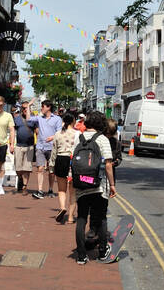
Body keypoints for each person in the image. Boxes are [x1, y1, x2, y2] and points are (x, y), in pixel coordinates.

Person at [73, 111, 117, 264]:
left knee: (81, 218)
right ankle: (103, 252)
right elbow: (108, 165)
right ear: (101, 125)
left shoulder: (77, 137)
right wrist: (112, 185)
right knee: (101, 218)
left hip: (80, 184)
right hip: (98, 186)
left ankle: (81, 256)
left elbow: (73, 160)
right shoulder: (103, 139)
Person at [32, 100, 63, 198]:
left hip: (52, 147)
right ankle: (40, 190)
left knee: (51, 169)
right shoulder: (39, 118)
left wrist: (52, 137)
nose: (41, 108)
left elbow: (60, 132)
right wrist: (28, 105)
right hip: (40, 146)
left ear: (48, 107)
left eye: (43, 106)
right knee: (40, 168)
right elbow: (28, 118)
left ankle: (50, 189)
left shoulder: (57, 119)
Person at [52, 110, 79, 224]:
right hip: (73, 161)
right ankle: (71, 218)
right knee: (73, 192)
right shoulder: (78, 134)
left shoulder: (58, 134)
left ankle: (63, 207)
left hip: (60, 160)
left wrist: (51, 165)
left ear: (63, 121)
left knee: (61, 190)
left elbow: (54, 150)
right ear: (74, 121)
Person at [12, 100, 36, 193]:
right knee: (18, 167)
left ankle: (25, 186)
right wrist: (11, 144)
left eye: (27, 107)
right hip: (19, 146)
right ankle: (20, 179)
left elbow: (37, 131)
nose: (25, 109)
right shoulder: (17, 119)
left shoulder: (33, 119)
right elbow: (13, 131)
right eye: (24, 108)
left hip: (29, 146)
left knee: (27, 167)